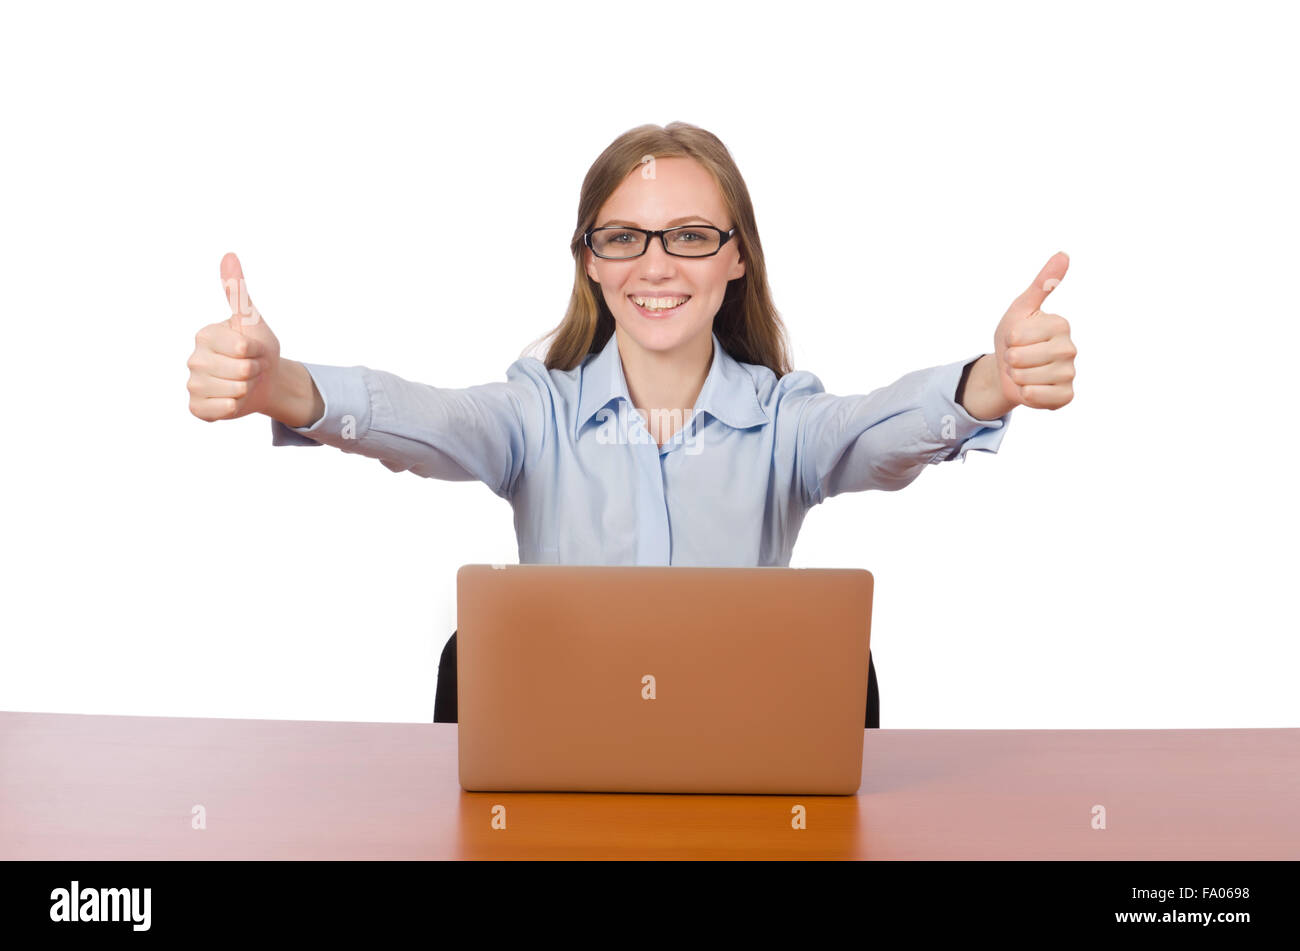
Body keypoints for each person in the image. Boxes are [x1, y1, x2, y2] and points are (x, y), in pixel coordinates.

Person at [185, 122, 1077, 721]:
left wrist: (988, 380)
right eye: (624, 237)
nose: (657, 264)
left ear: (735, 258)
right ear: (592, 264)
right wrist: (284, 385)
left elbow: (874, 433)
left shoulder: (782, 421)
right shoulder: (535, 411)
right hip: (559, 761)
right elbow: (424, 422)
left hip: (746, 766)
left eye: (690, 235)